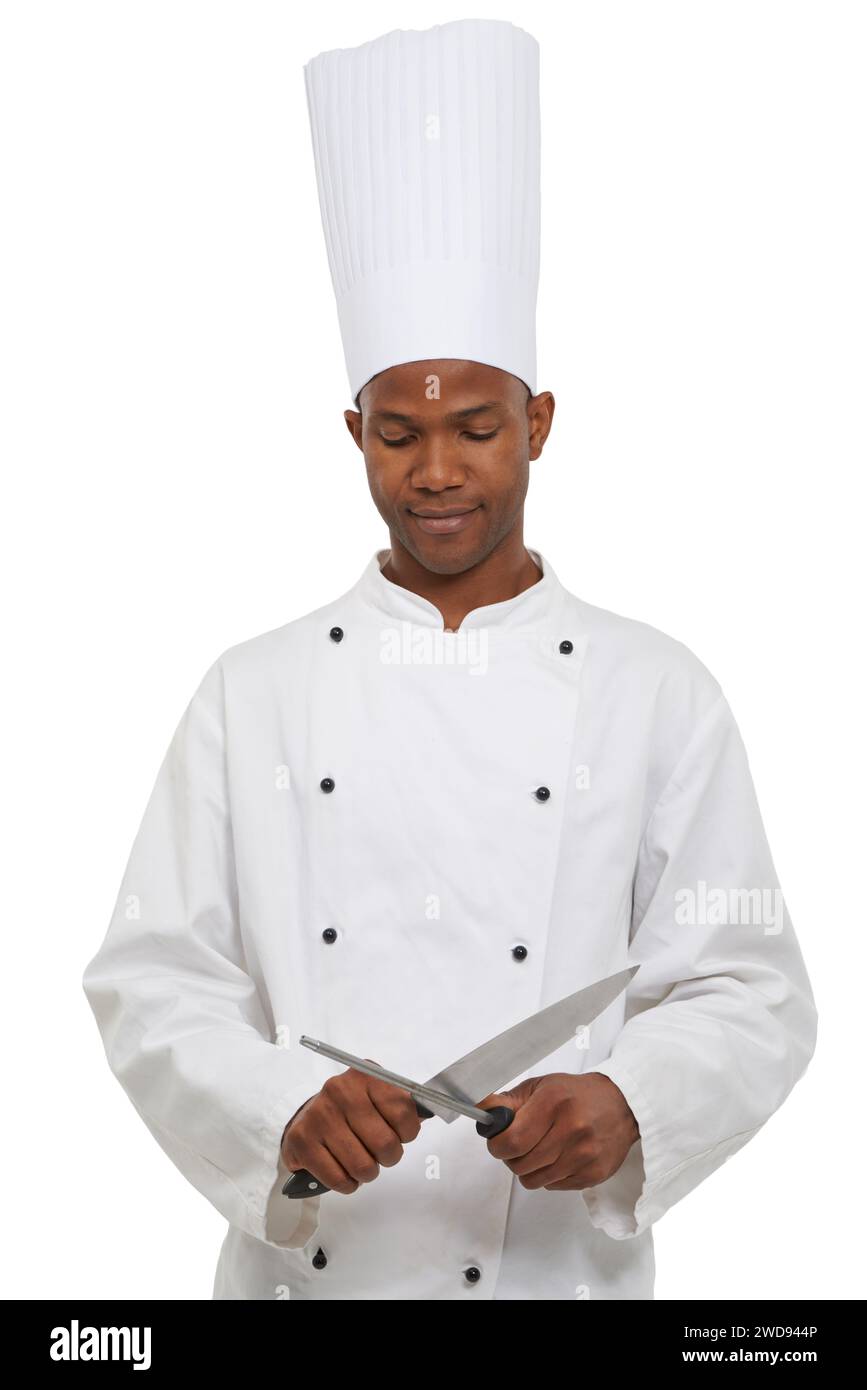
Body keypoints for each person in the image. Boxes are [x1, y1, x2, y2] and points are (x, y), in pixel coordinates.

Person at [82, 18, 817, 1301]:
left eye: (476, 427)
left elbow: (749, 986)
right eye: (396, 433)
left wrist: (633, 1098)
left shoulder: (655, 691)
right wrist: (280, 1111)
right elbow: (155, 978)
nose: (435, 472)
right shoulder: (252, 695)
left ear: (537, 423)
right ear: (351, 432)